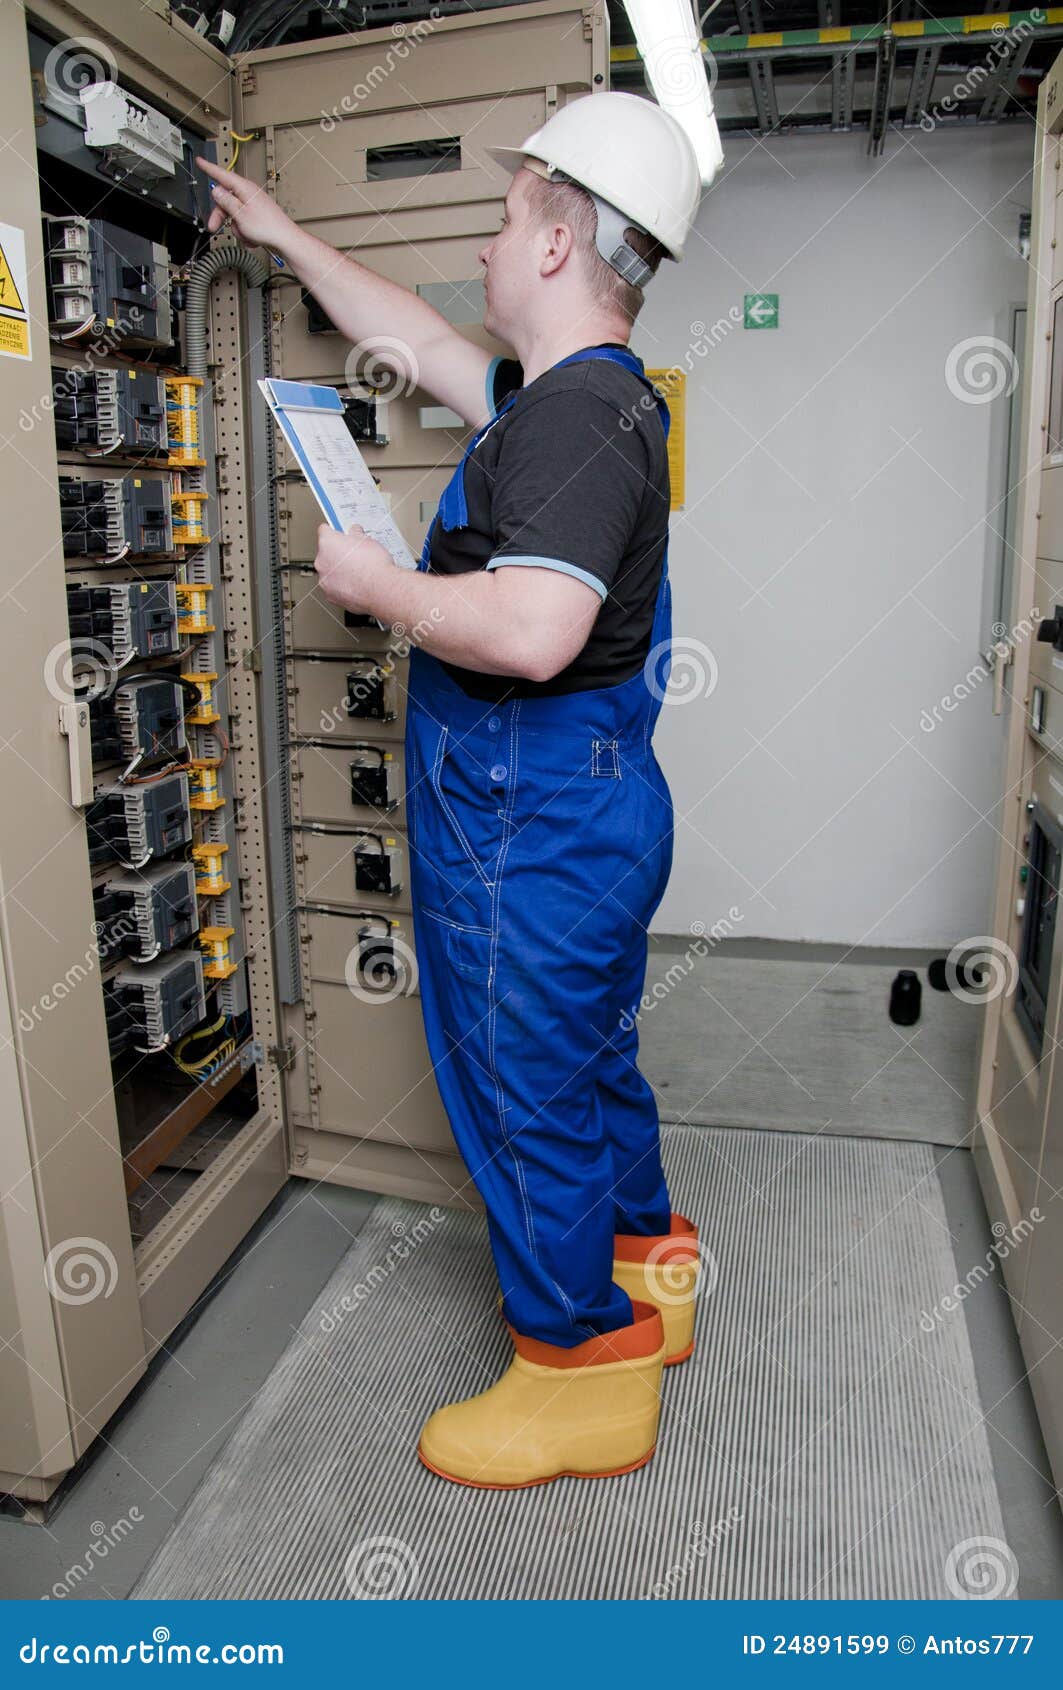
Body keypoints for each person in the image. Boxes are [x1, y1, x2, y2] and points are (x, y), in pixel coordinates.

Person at [197, 89, 702, 1491]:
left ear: (555, 242)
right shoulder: (570, 402)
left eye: (501, 218)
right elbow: (412, 339)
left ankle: (579, 1371)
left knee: (522, 1076)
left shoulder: (574, 422)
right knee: (590, 1055)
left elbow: (535, 631)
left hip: (528, 819)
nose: (483, 246)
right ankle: (650, 1265)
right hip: (581, 807)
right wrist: (287, 233)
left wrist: (379, 587)